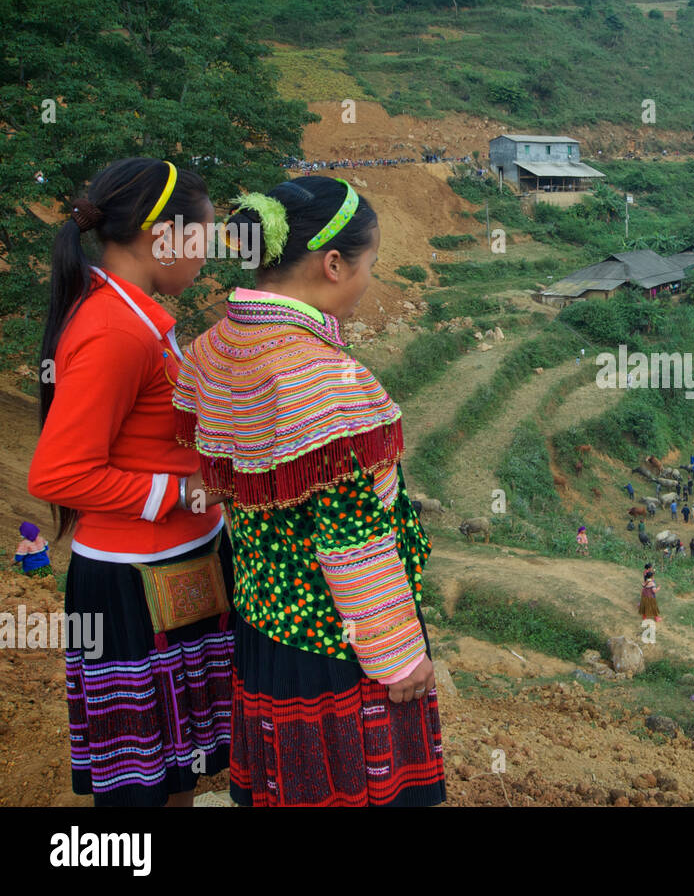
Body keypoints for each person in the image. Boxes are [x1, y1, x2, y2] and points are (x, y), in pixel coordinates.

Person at [176, 176, 446, 807]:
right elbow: (352, 539)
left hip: (265, 625)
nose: (370, 280)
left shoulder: (213, 351)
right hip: (339, 642)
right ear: (332, 264)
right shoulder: (323, 382)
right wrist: (399, 658)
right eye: (370, 265)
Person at [27, 158, 234, 807]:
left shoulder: (140, 320)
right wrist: (175, 495)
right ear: (159, 238)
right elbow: (59, 471)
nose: (208, 253)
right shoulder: (115, 331)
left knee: (177, 771)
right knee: (142, 788)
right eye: (201, 236)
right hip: (134, 587)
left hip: (175, 570)